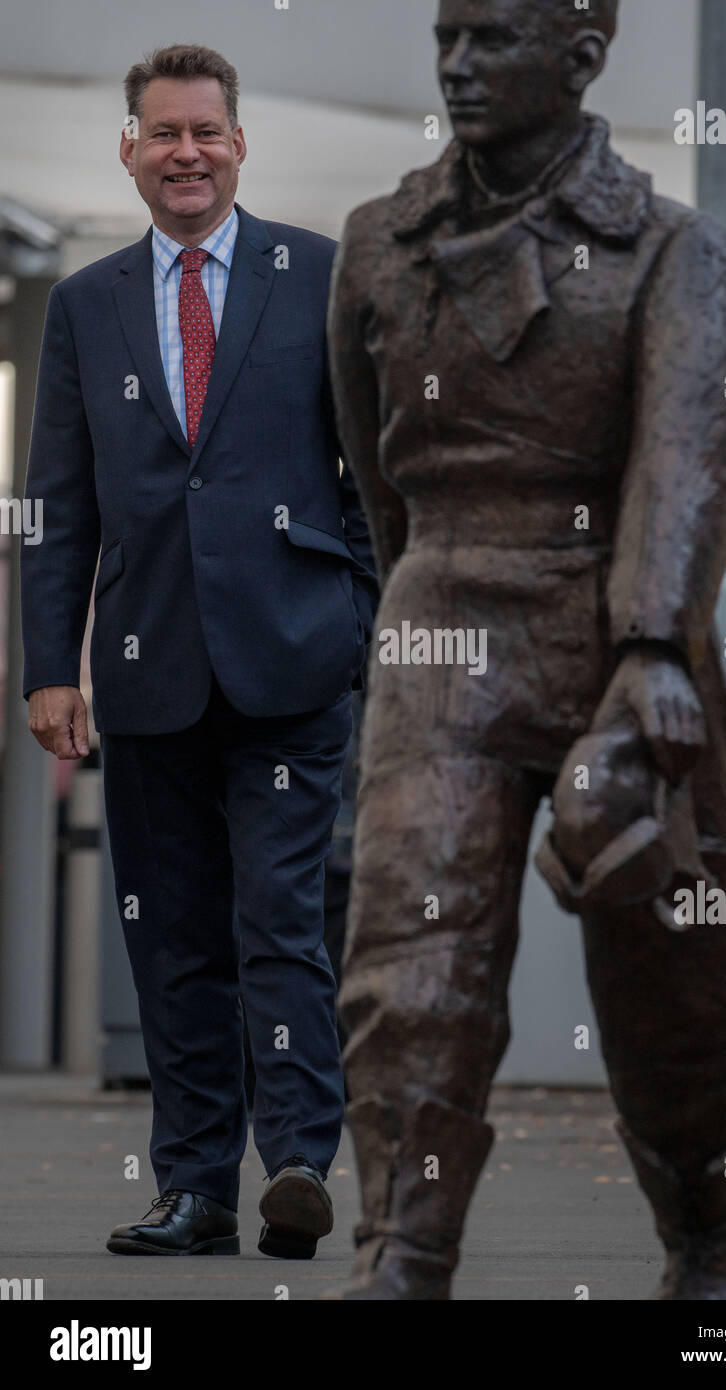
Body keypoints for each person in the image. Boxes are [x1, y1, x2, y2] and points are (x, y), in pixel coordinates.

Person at [327, 0, 726, 1299]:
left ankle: (704, 1233)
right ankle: (403, 1245)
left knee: (668, 983)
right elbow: (377, 468)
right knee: (411, 961)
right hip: (443, 615)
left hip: (620, 637)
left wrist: (654, 648)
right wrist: (429, 587)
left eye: (492, 40)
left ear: (580, 58)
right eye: (447, 36)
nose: (457, 65)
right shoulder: (376, 245)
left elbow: (687, 461)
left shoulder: (672, 251)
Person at [22, 43, 377, 1260]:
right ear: (130, 147)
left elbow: (370, 479)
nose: (185, 152)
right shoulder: (86, 302)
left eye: (205, 132)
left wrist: (360, 627)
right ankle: (193, 1192)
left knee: (276, 918)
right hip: (145, 662)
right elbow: (59, 501)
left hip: (291, 661)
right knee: (170, 936)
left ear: (239, 143)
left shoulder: (318, 276)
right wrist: (47, 668)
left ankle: (294, 1164)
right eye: (162, 132)